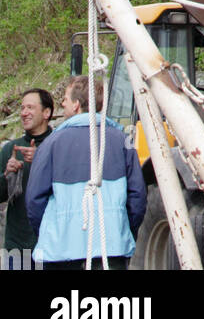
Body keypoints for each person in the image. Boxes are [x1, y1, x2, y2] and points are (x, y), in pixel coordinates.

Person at [25, 75, 147, 270]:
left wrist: (52, 232)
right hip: (111, 249)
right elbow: (138, 197)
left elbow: (34, 200)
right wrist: (121, 230)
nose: (62, 103)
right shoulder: (122, 140)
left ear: (76, 105)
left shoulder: (51, 144)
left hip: (61, 252)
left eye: (65, 98)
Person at [0, 88, 54, 266]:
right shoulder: (11, 149)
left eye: (30, 107)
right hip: (17, 247)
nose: (24, 113)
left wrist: (41, 160)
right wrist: (7, 175)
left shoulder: (57, 144)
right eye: (22, 108)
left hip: (51, 245)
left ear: (46, 112)